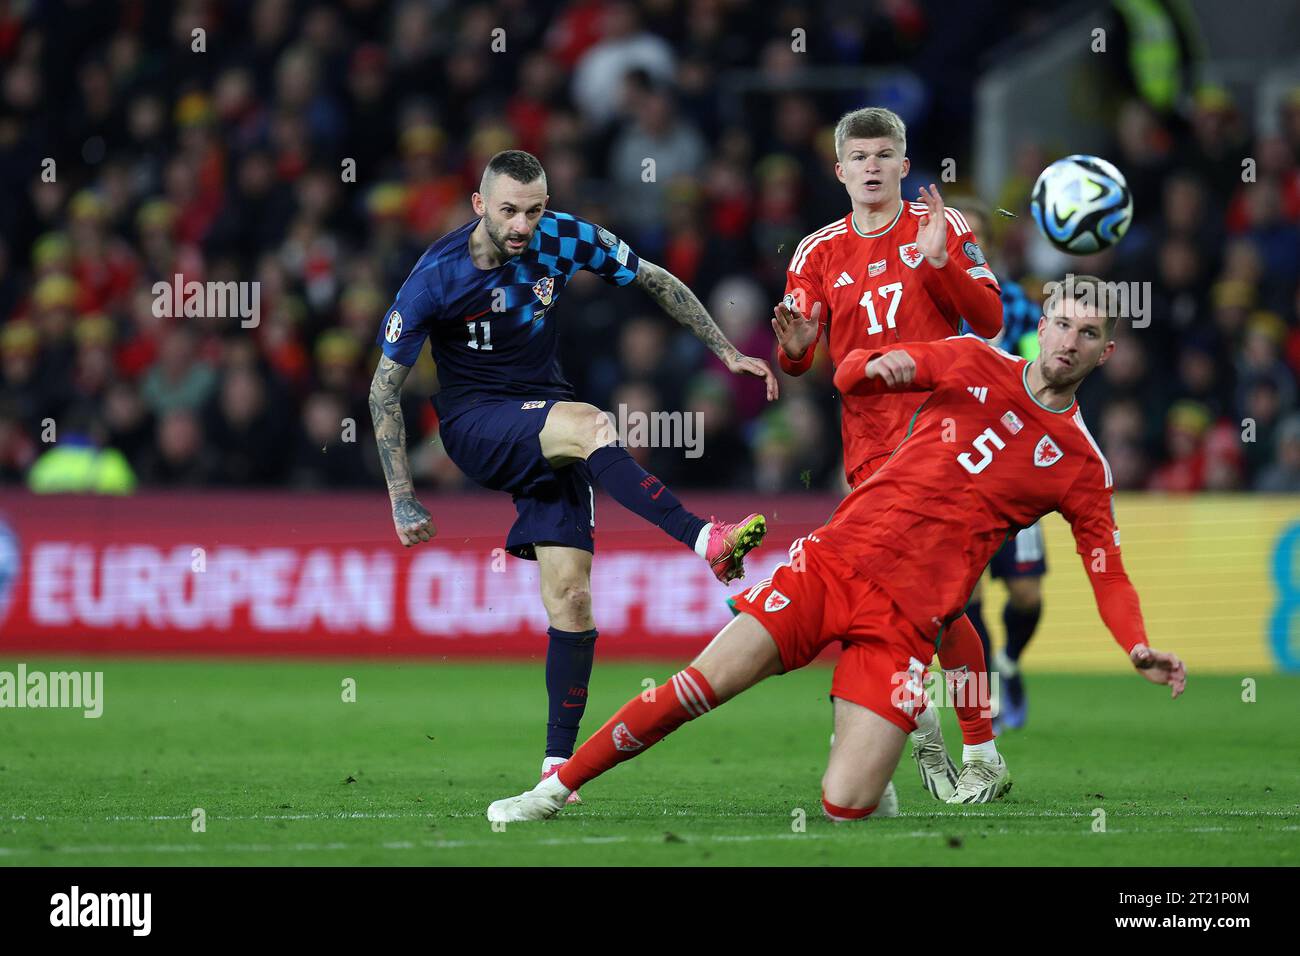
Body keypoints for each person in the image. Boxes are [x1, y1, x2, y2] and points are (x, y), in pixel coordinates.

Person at [487, 275, 1185, 823]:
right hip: (832, 565)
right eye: (1060, 323)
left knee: (844, 805)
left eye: (1086, 333)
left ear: (1105, 353)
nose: (1068, 340)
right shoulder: (973, 360)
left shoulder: (1082, 465)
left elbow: (1108, 572)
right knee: (698, 689)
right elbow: (853, 373)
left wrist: (1137, 645)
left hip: (904, 624)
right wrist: (867, 368)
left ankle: (902, 716)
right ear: (1045, 324)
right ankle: (552, 788)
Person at [370, 149, 776, 800]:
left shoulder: (562, 237)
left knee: (572, 599)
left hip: (543, 422)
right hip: (476, 424)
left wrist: (726, 350)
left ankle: (555, 771)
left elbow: (653, 280)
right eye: (508, 210)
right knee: (592, 424)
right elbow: (381, 394)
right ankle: (705, 540)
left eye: (534, 209)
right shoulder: (434, 277)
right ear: (480, 206)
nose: (523, 224)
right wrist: (402, 497)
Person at [769, 106, 1007, 803]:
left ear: (905, 166)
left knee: (940, 605)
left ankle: (949, 742)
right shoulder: (816, 251)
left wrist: (942, 266)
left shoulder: (945, 227)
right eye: (859, 156)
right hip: (869, 456)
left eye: (884, 155)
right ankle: (919, 735)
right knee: (888, 606)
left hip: (943, 444)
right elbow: (800, 357)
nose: (871, 166)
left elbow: (990, 322)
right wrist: (791, 344)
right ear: (839, 169)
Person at [957, 199, 1049, 731]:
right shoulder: (930, 300)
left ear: (987, 245)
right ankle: (986, 691)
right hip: (955, 470)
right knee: (964, 595)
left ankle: (1011, 662)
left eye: (975, 236)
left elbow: (1042, 369)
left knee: (1026, 593)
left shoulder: (1014, 304)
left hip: (1013, 467)